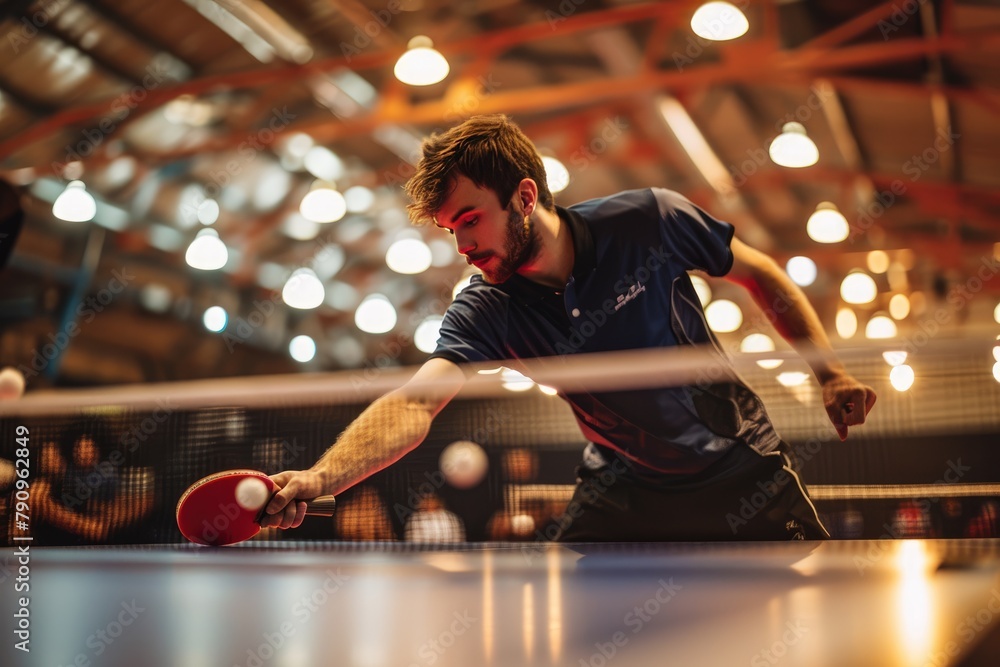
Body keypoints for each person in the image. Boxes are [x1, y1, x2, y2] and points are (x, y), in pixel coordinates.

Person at [262, 115, 876, 541]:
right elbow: (415, 403)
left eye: (472, 219)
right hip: (621, 484)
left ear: (525, 197)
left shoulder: (647, 222)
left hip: (739, 469)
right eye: (452, 230)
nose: (465, 246)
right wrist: (322, 476)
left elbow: (761, 274)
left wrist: (830, 373)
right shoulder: (486, 308)